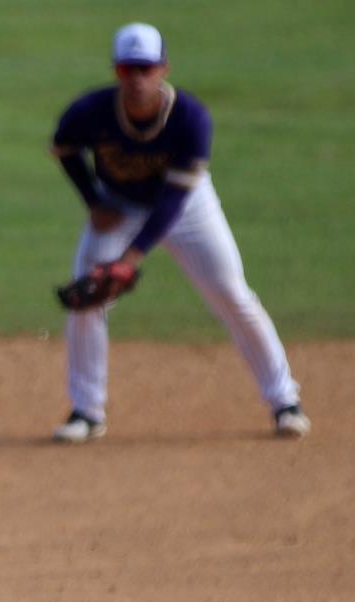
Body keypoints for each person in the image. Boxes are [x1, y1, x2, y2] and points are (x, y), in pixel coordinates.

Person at [48, 23, 309, 443]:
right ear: (116, 70)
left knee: (231, 294)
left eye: (146, 68)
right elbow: (63, 148)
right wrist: (93, 202)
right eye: (128, 68)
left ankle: (285, 401)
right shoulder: (89, 111)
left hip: (187, 208)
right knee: (87, 297)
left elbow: (171, 201)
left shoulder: (190, 118)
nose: (137, 78)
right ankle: (86, 411)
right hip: (119, 206)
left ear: (164, 68)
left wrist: (130, 258)